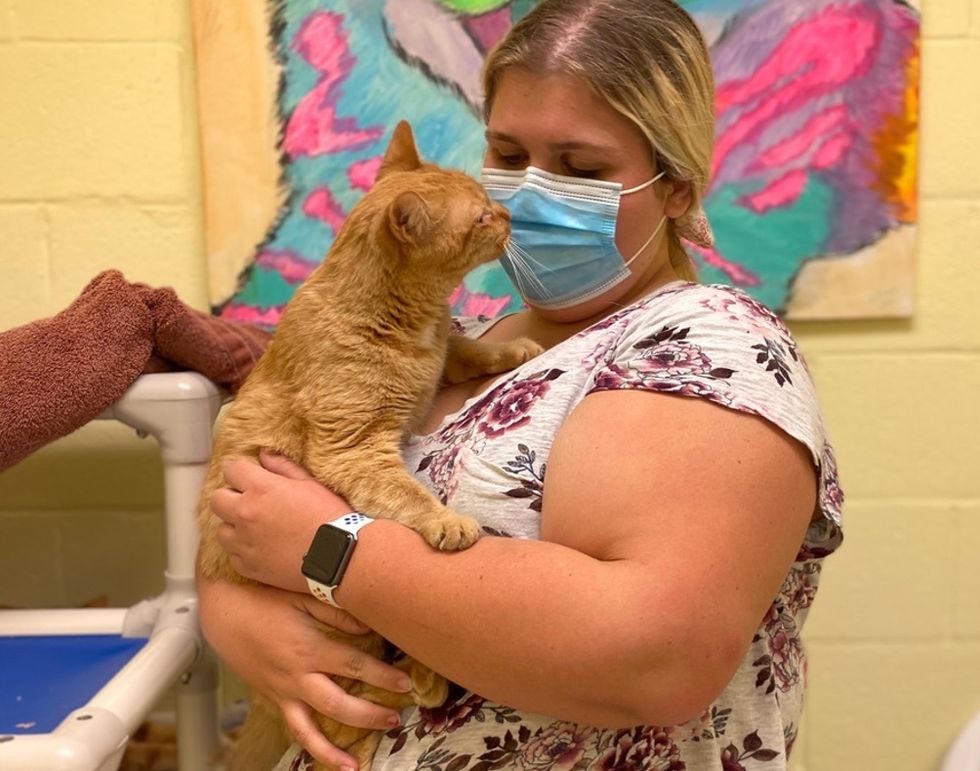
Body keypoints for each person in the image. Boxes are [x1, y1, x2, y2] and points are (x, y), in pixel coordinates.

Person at [199, 1, 844, 769]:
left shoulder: (708, 345)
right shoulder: (477, 325)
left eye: (580, 168)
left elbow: (656, 657)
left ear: (676, 186)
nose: (526, 196)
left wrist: (329, 553)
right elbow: (270, 513)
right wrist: (234, 612)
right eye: (506, 153)